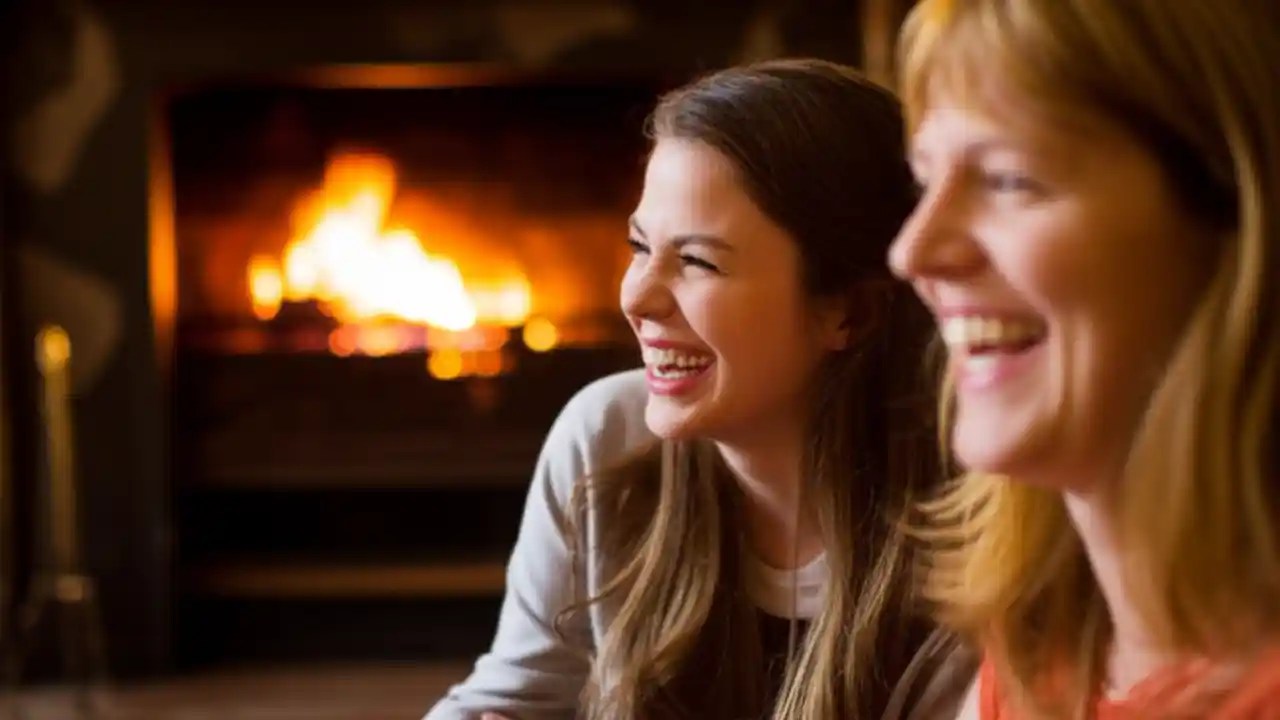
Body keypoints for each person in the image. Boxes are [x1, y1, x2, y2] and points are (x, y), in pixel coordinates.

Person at [426, 58, 938, 720]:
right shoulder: (606, 437)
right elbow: (512, 698)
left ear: (851, 312)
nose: (637, 298)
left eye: (697, 261)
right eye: (640, 247)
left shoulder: (965, 521)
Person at [888, 0, 1280, 716]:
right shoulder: (1037, 654)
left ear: (1237, 224)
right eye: (925, 182)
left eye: (1008, 179)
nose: (911, 252)